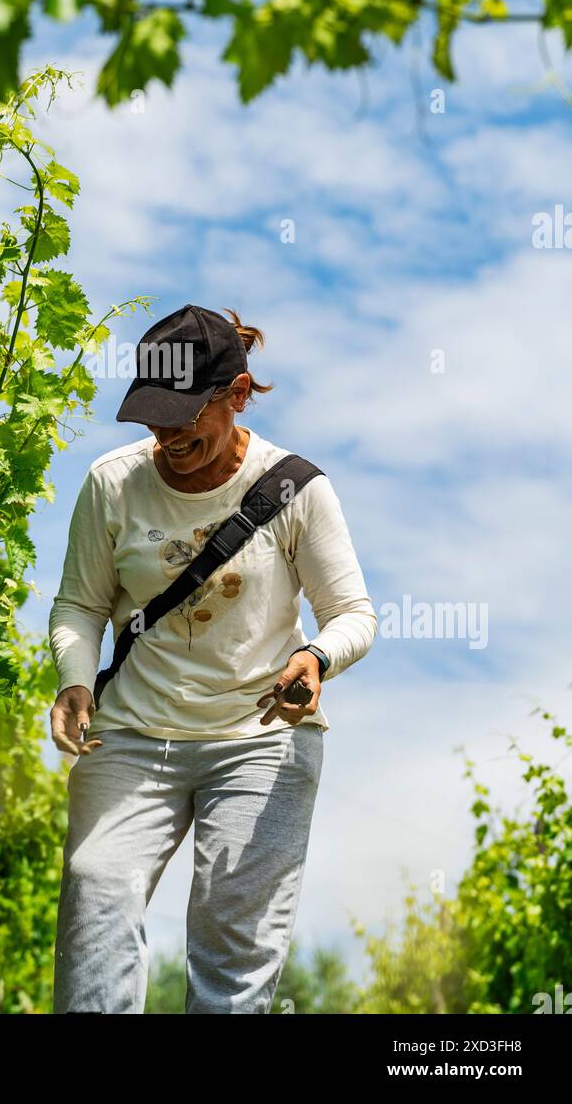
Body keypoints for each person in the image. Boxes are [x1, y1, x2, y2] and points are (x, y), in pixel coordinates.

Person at [48, 303, 377, 1014]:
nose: (166, 437)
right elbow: (79, 604)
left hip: (258, 740)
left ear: (236, 394)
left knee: (234, 945)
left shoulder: (295, 489)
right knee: (96, 896)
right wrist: (75, 682)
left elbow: (353, 614)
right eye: (152, 417)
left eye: (183, 416)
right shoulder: (113, 484)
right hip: (132, 733)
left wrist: (316, 659)